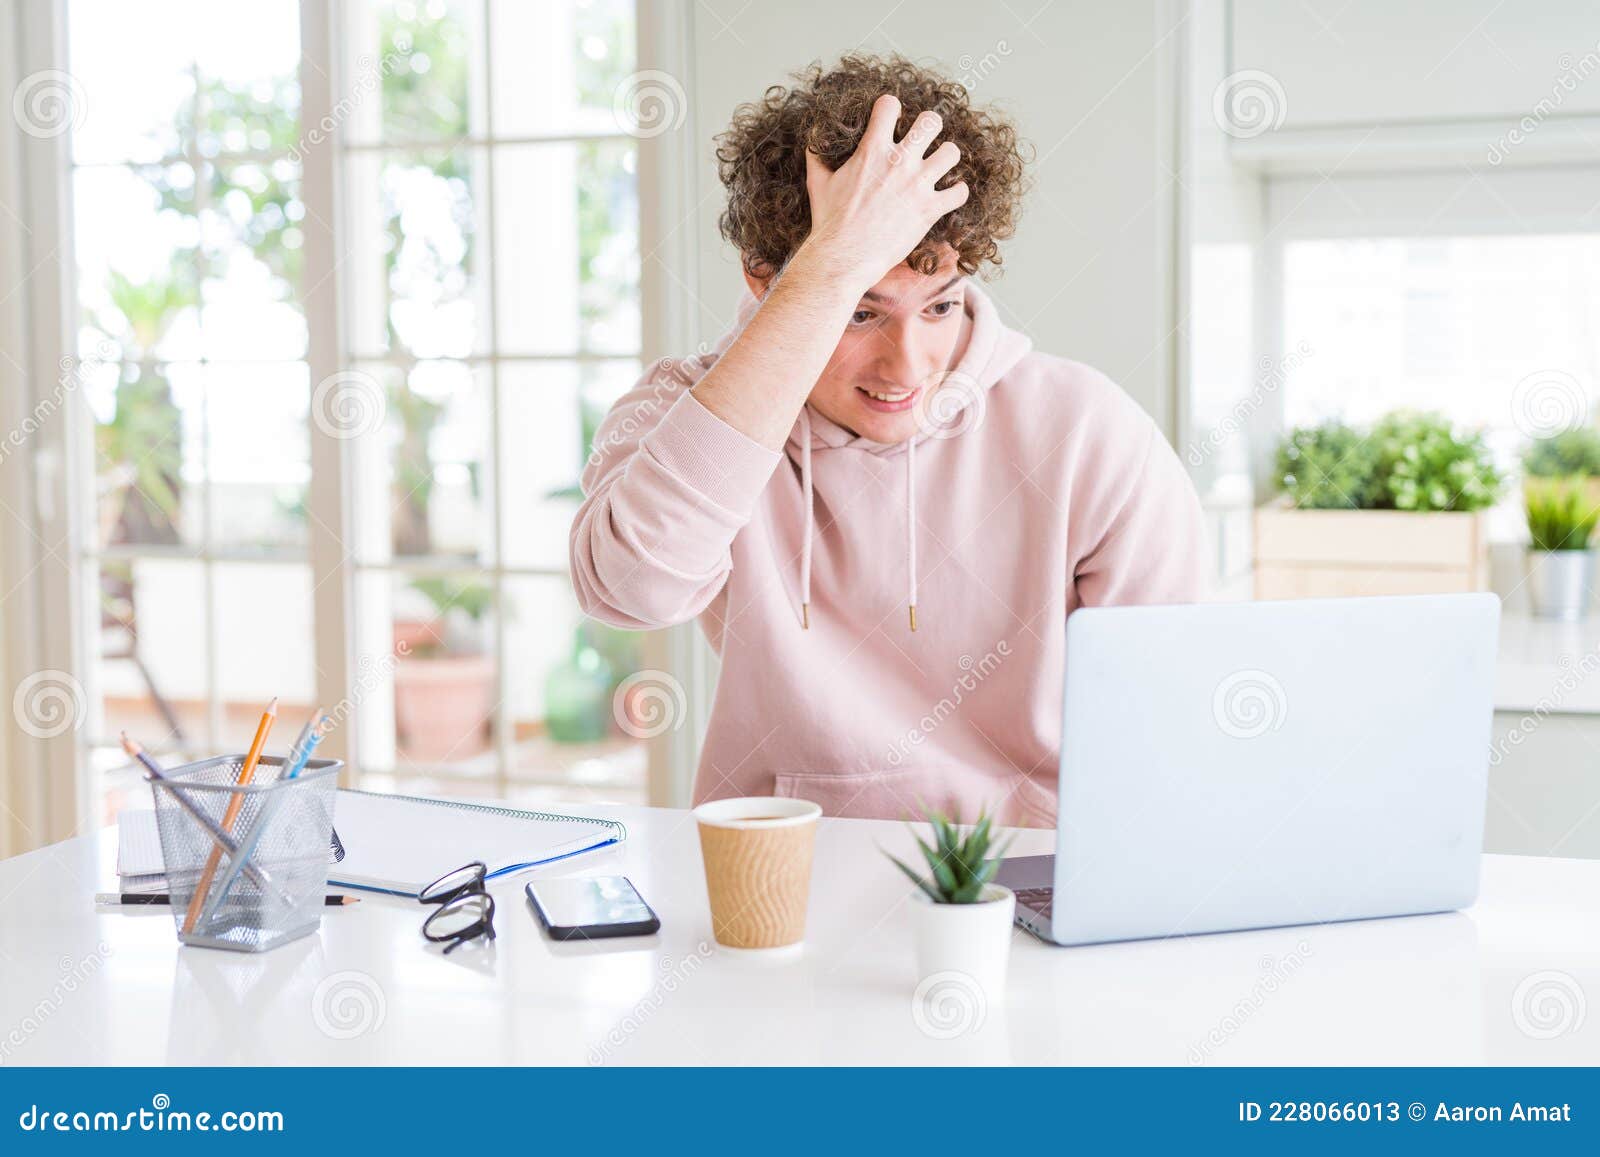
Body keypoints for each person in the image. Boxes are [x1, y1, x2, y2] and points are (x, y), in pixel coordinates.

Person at [571, 53, 1208, 825]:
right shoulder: (686, 411)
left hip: (1022, 886)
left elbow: (1166, 721)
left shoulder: (1084, 430)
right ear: (763, 276)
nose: (908, 367)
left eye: (939, 307)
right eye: (860, 313)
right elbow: (633, 589)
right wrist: (831, 264)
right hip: (780, 879)